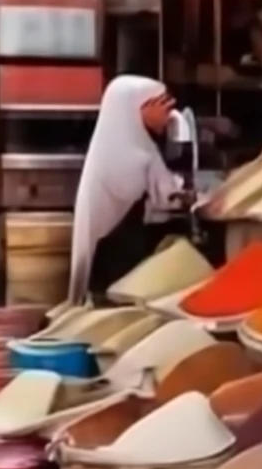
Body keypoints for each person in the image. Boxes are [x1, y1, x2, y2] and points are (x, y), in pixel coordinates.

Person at [69, 76, 184, 305]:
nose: (166, 113)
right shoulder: (121, 153)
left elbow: (165, 187)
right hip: (111, 253)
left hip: (128, 247)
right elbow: (148, 189)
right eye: (158, 105)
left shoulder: (140, 143)